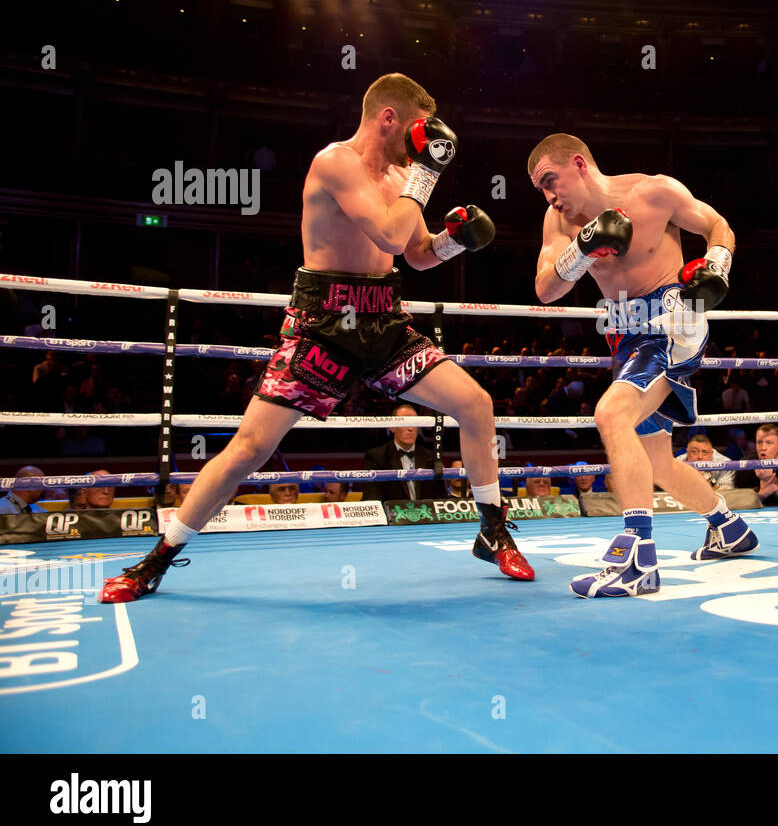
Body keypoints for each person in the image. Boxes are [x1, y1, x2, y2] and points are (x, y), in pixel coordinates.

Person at [101, 73, 533, 603]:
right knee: (251, 446)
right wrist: (425, 174)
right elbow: (390, 233)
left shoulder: (401, 172)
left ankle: (492, 530)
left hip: (384, 319)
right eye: (418, 127)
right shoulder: (336, 163)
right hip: (323, 325)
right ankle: (156, 560)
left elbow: (415, 252)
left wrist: (456, 241)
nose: (425, 139)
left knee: (476, 403)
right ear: (388, 118)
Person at [529, 133, 757, 598]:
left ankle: (636, 558)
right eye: (541, 189)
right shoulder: (559, 222)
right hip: (625, 335)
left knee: (612, 415)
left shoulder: (654, 192)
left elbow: (718, 226)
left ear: (579, 164)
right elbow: (545, 289)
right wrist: (584, 249)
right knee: (655, 461)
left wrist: (717, 265)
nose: (550, 196)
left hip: (673, 320)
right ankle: (728, 527)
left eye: (551, 181)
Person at [360, 403, 442, 502]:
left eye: (414, 423)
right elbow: (372, 497)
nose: (411, 429)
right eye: (405, 422)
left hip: (426, 515)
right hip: (391, 515)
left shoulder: (430, 456)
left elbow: (440, 498)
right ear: (392, 427)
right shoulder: (377, 456)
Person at [733, 424, 778, 505]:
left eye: (769, 443)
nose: (763, 447)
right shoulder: (745, 464)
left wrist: (768, 479)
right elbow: (740, 501)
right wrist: (763, 494)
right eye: (759, 442)